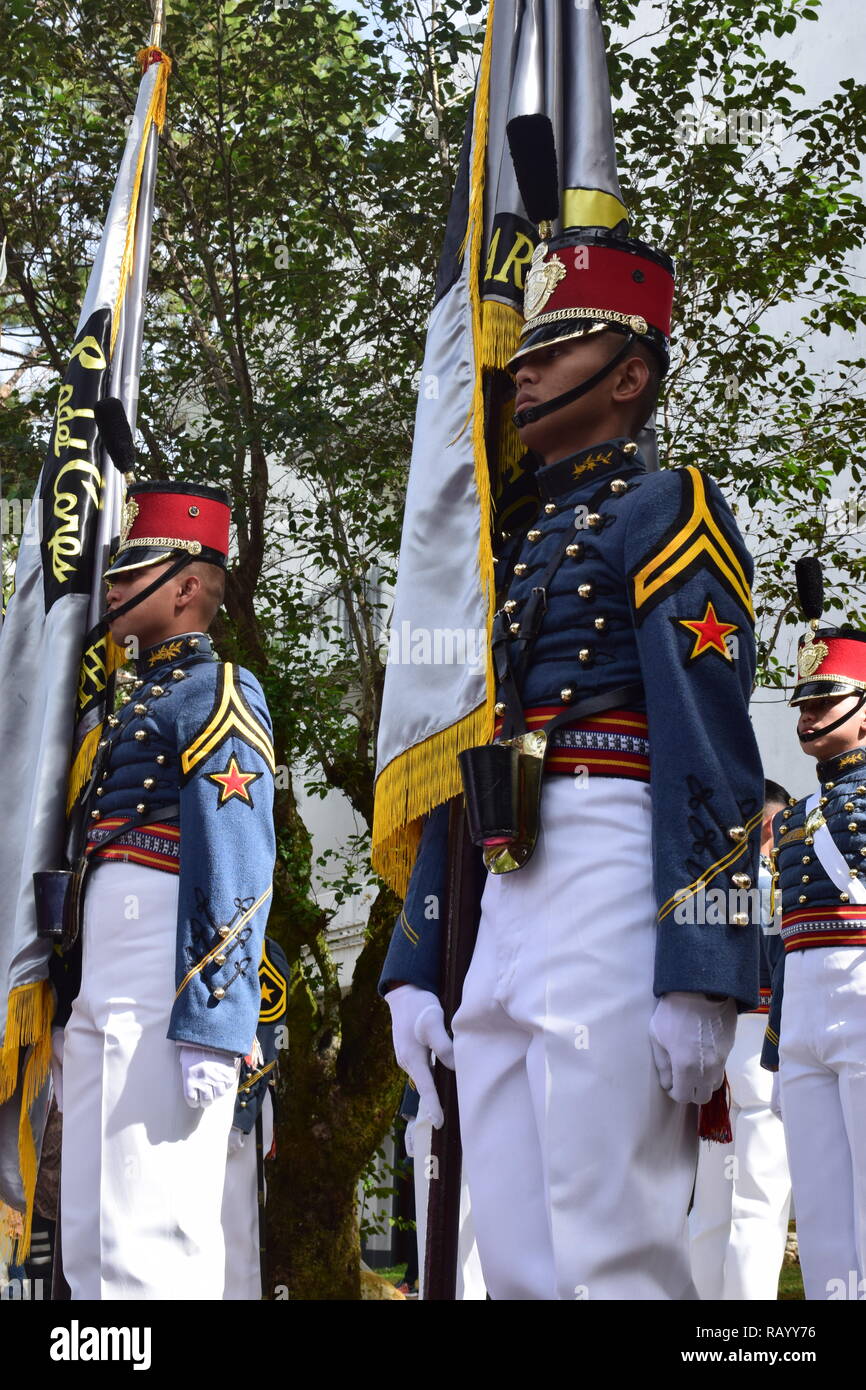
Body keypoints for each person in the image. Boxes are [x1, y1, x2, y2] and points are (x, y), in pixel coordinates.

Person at [379, 121, 764, 1300]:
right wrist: (411, 954)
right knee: (518, 1247)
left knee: (611, 1244)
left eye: (555, 345)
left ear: (630, 373)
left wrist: (704, 959)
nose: (524, 367)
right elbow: (465, 741)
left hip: (610, 855)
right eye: (524, 345)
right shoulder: (504, 549)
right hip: (503, 882)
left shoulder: (667, 507)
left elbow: (711, 746)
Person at [53, 478, 276, 1300]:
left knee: (151, 1240)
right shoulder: (121, 705)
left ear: (185, 587)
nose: (108, 589)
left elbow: (236, 852)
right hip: (106, 977)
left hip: (163, 970)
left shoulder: (215, 691)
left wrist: (216, 1021)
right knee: (91, 1235)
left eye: (127, 572)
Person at [763, 574, 866, 1300]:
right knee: (824, 1210)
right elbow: (788, 939)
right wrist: (776, 1041)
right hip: (803, 1015)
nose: (807, 714)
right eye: (803, 701)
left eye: (824, 698)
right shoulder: (795, 813)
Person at [689, 779, 792, 1300]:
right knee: (759, 1202)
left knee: (710, 1206)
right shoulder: (781, 877)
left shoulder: (714, 879)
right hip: (766, 1038)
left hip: (716, 1041)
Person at [222, 935, 288, 1301]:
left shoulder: (257, 947)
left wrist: (240, 1115)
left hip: (232, 1109)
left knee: (233, 1235)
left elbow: (266, 1035)